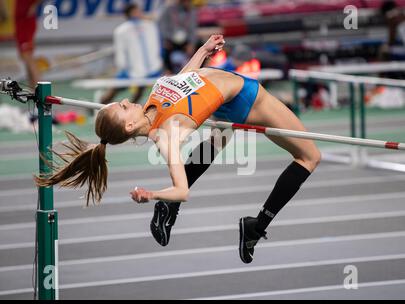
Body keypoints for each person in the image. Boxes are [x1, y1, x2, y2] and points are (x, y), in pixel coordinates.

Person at [35, 35, 321, 264]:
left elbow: (184, 78)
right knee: (310, 157)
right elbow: (182, 190)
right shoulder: (167, 137)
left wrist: (203, 50)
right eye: (122, 108)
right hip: (246, 98)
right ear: (129, 126)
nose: (124, 101)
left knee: (219, 139)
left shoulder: (152, 101)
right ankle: (255, 227)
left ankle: (170, 209)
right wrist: (153, 194)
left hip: (222, 101)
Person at [100, 3, 163, 105]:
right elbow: (120, 51)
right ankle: (99, 105)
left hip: (150, 70)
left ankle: (130, 112)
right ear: (130, 13)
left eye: (139, 11)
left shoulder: (150, 26)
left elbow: (155, 46)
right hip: (129, 71)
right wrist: (124, 68)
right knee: (114, 91)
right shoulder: (122, 30)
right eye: (136, 11)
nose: (139, 13)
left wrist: (157, 65)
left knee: (139, 92)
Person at [158, 0, 198, 73]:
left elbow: (193, 30)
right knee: (164, 49)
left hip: (186, 40)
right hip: (170, 39)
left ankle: (196, 70)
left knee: (200, 46)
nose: (187, 3)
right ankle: (167, 71)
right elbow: (162, 26)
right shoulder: (169, 10)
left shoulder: (192, 11)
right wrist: (166, 38)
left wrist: (191, 44)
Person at [14, 0, 42, 87]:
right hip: (20, 21)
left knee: (27, 56)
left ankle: (39, 88)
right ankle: (32, 87)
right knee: (25, 56)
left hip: (25, 21)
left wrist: (33, 6)